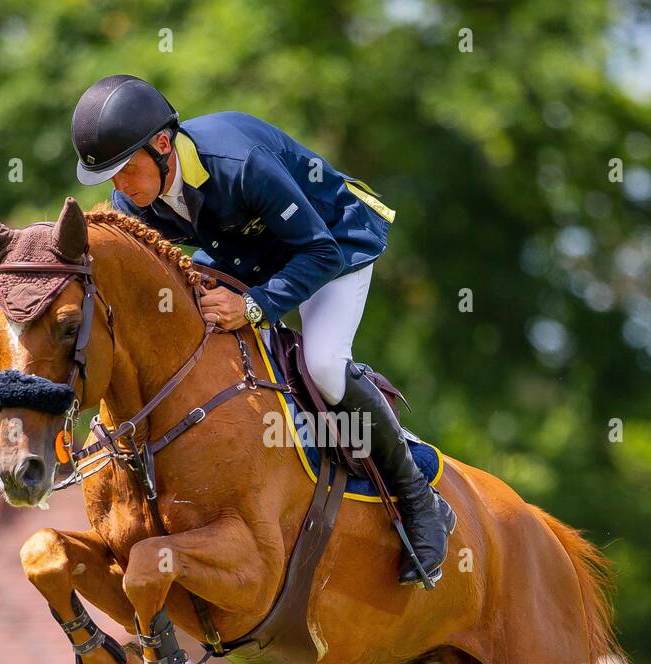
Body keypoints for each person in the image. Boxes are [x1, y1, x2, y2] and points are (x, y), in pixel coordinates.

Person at [69, 74, 454, 586]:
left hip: (333, 242)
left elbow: (320, 251)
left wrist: (253, 306)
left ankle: (419, 498)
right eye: (110, 178)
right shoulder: (134, 200)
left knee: (323, 365)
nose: (121, 188)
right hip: (250, 254)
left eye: (126, 170)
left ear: (163, 145)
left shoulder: (239, 165)